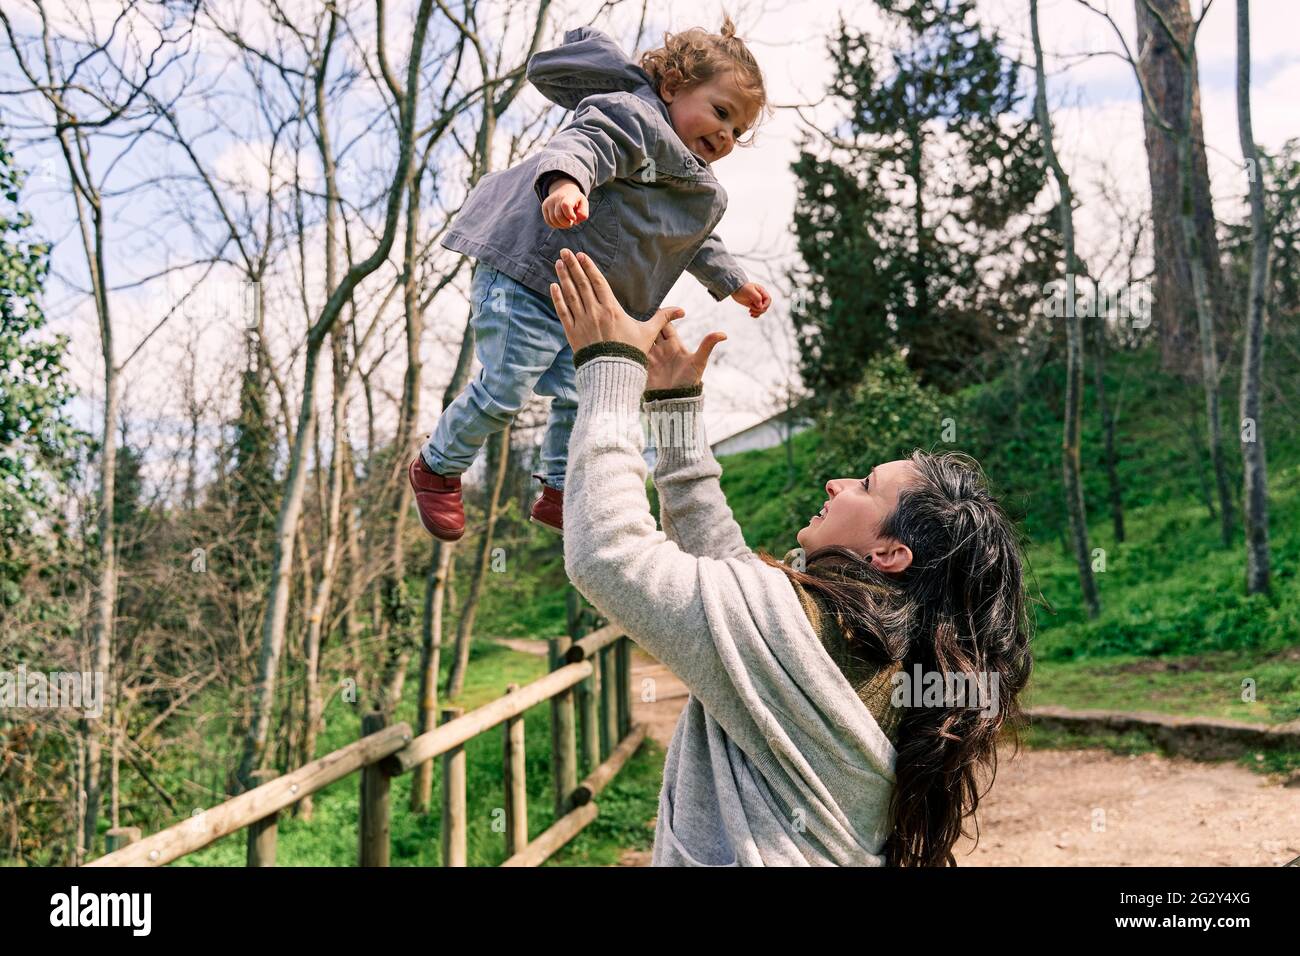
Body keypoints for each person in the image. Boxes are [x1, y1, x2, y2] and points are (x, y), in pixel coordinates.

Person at [548, 248, 1035, 866]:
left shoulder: (808, 631)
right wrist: (672, 411)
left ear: (890, 552)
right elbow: (730, 580)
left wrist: (609, 366)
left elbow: (608, 553)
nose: (836, 483)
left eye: (864, 485)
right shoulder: (875, 648)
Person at [409, 18, 772, 541]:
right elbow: (583, 146)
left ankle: (560, 487)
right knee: (508, 386)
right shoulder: (634, 117)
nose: (725, 135)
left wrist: (732, 281)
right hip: (527, 275)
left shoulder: (692, 182)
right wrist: (565, 186)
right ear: (671, 86)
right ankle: (438, 464)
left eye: (738, 131)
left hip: (579, 308)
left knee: (586, 392)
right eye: (720, 112)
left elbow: (690, 237)